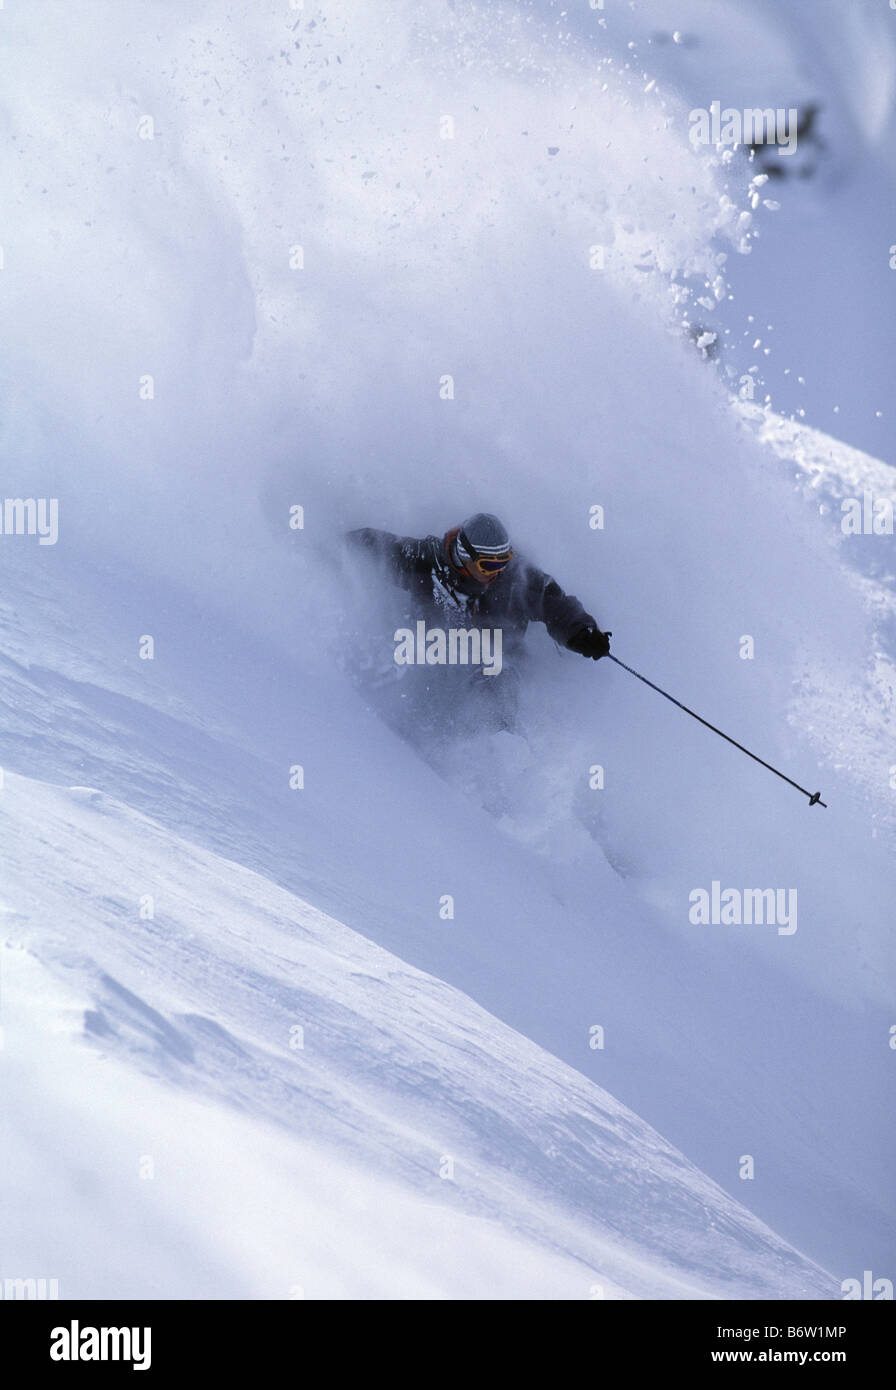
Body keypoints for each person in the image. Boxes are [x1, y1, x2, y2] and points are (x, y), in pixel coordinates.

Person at [345, 512, 610, 732]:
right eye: (488, 566)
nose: (498, 572)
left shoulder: (516, 578)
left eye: (504, 562)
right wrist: (332, 550)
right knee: (419, 678)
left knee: (496, 685)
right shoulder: (427, 564)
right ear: (465, 556)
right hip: (438, 660)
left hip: (501, 661)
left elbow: (554, 603)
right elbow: (375, 547)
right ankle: (414, 746)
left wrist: (582, 633)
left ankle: (499, 746)